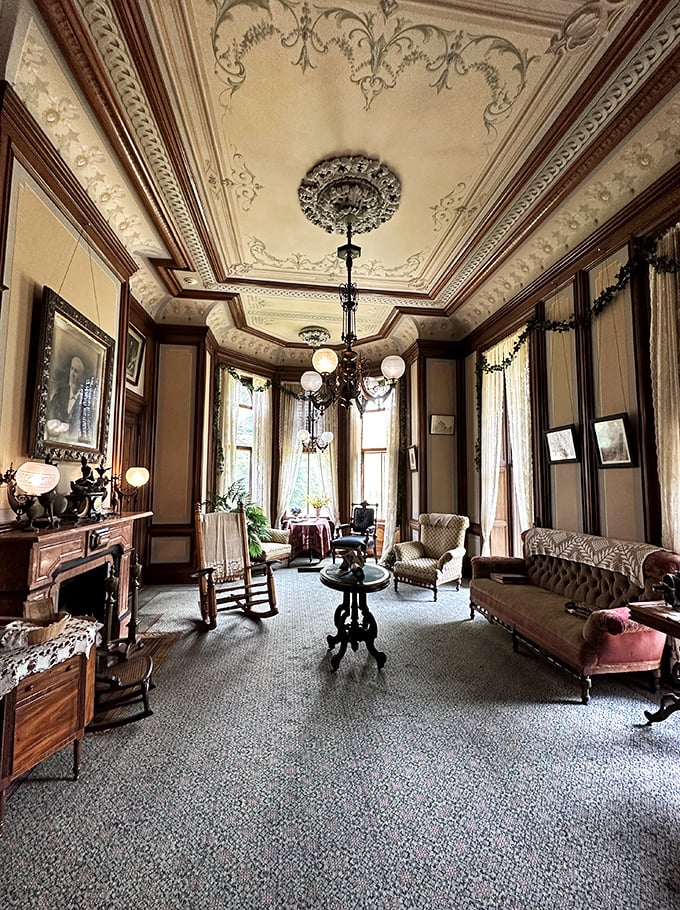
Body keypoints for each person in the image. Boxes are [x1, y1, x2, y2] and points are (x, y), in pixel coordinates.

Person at [46, 354, 86, 440]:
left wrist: (70, 427)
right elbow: (48, 412)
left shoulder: (85, 400)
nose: (72, 374)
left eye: (76, 371)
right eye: (71, 369)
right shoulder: (60, 393)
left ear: (82, 377)